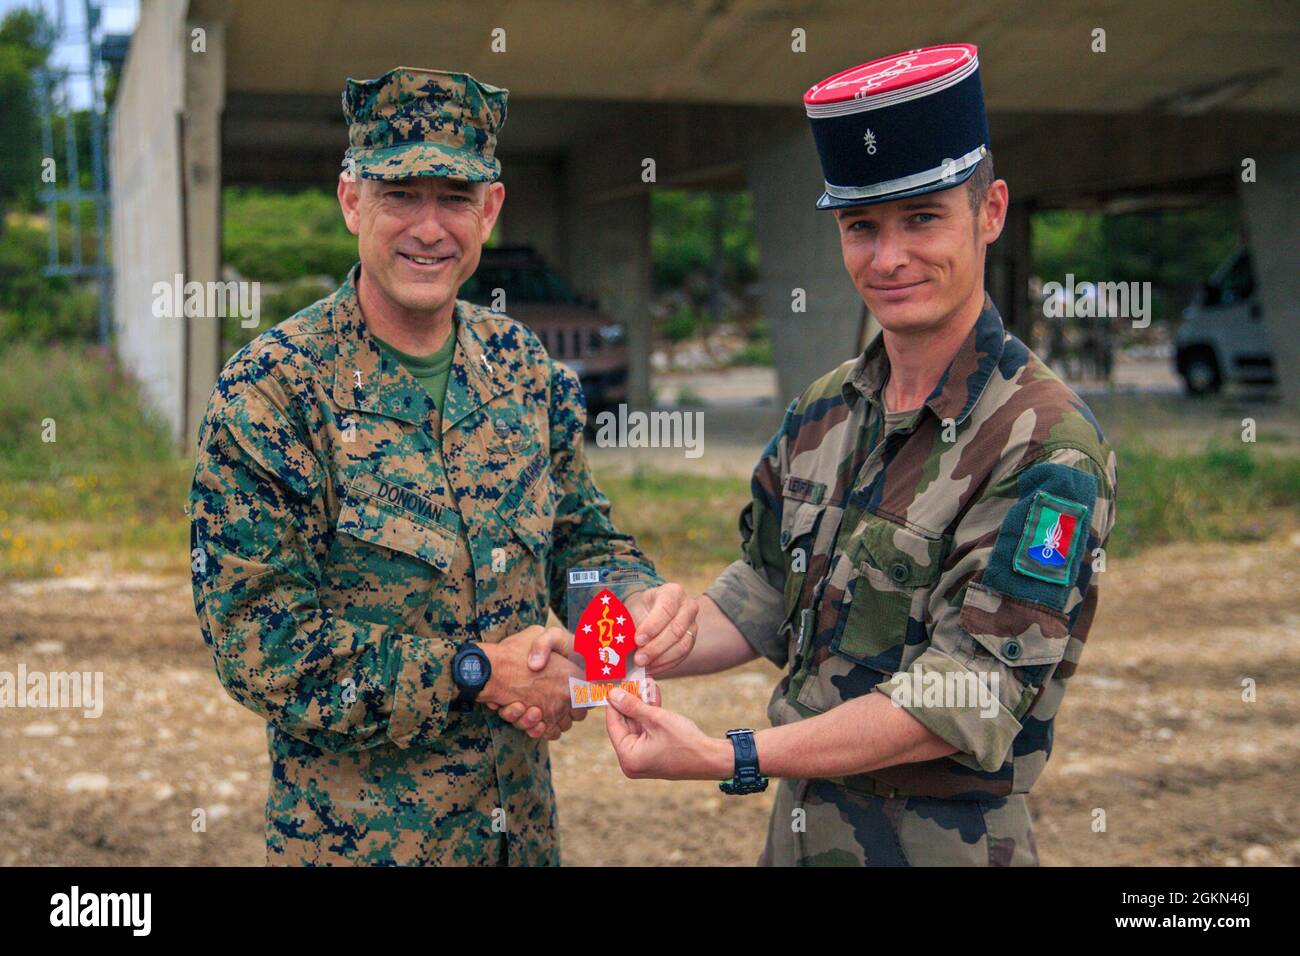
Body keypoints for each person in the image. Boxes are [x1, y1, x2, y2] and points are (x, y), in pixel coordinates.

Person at [593, 44, 1118, 865]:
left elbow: (967, 691)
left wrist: (730, 754)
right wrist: (624, 643)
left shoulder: (1045, 442)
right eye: (861, 227)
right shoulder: (827, 407)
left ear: (990, 211)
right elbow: (764, 588)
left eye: (922, 218)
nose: (889, 258)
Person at [188, 66, 697, 866]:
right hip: (359, 848)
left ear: (490, 209)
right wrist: (475, 674)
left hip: (519, 835)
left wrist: (624, 616)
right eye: (401, 194)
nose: (429, 228)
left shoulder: (524, 367)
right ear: (352, 198)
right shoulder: (274, 391)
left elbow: (579, 538)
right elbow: (259, 643)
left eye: (455, 197)